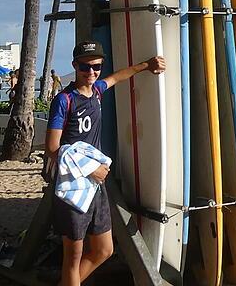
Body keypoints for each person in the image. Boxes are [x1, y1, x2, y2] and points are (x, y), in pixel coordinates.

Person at [44, 41, 164, 286]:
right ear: (75, 66)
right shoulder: (64, 100)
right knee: (73, 258)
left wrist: (147, 65)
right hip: (73, 187)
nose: (91, 72)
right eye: (85, 67)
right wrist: (91, 169)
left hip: (95, 186)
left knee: (104, 250)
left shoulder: (97, 91)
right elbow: (52, 148)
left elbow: (117, 77)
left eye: (96, 66)